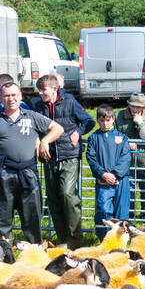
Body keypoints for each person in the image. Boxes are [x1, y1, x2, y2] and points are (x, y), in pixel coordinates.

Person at [0, 82, 62, 245]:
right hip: (2, 173)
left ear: (20, 96)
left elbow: (57, 128)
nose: (11, 99)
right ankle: (2, 253)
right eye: (6, 95)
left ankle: (35, 252)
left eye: (14, 95)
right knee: (1, 216)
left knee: (32, 216)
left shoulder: (31, 116)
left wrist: (44, 140)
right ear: (0, 98)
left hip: (27, 173)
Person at [28, 73, 95, 246]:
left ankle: (75, 237)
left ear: (54, 89)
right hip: (48, 155)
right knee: (53, 198)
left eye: (44, 91)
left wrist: (78, 132)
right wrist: (37, 139)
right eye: (39, 91)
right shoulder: (36, 105)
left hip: (69, 154)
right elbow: (31, 125)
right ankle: (63, 238)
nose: (40, 94)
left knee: (67, 193)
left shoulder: (69, 101)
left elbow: (89, 121)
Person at [85, 106, 131, 241]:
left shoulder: (122, 138)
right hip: (102, 181)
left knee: (121, 211)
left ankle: (120, 241)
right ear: (98, 121)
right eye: (102, 120)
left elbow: (126, 158)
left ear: (113, 119)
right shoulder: (94, 138)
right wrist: (103, 174)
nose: (105, 123)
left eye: (108, 120)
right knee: (103, 210)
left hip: (121, 180)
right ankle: (104, 240)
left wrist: (115, 174)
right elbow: (91, 158)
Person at [116, 93, 145, 220]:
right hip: (126, 161)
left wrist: (140, 124)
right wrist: (126, 142)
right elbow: (115, 134)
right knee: (129, 190)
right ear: (128, 104)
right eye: (132, 106)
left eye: (138, 107)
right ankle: (129, 214)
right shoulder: (119, 116)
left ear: (143, 107)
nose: (135, 109)